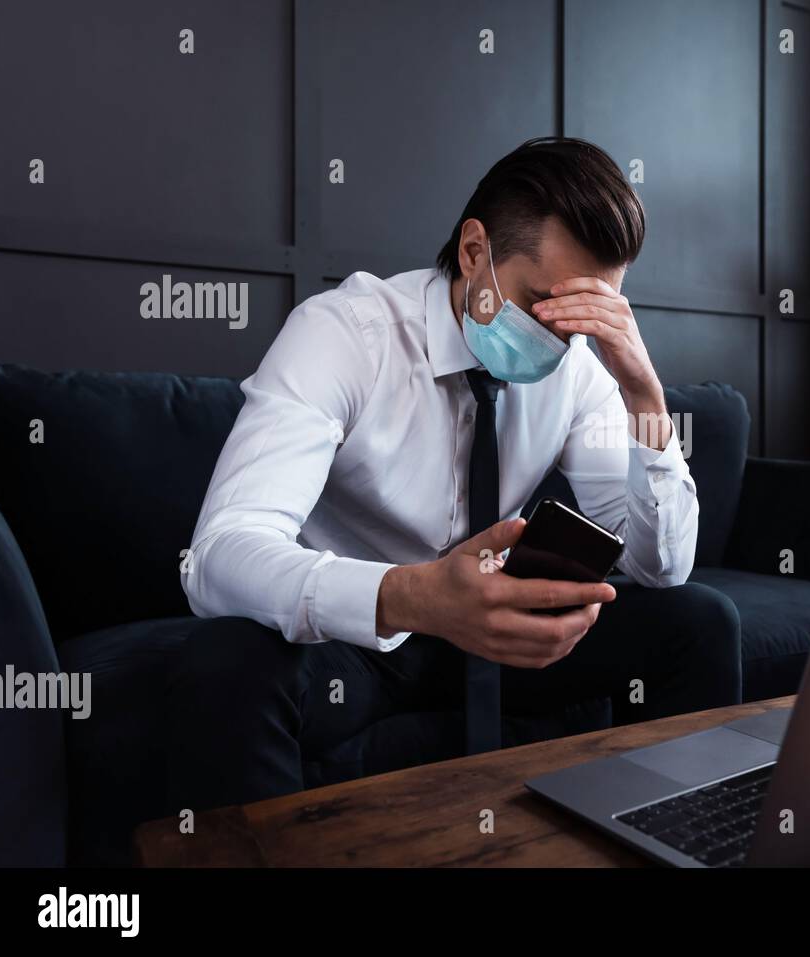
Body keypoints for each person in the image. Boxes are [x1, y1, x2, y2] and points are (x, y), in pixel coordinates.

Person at [165, 137, 742, 811]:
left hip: (498, 635)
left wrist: (644, 395)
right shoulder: (346, 334)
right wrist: (415, 595)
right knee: (226, 664)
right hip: (364, 637)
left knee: (699, 623)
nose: (559, 337)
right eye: (542, 304)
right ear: (475, 252)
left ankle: (677, 847)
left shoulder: (579, 369)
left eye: (583, 316)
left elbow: (660, 566)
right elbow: (219, 554)